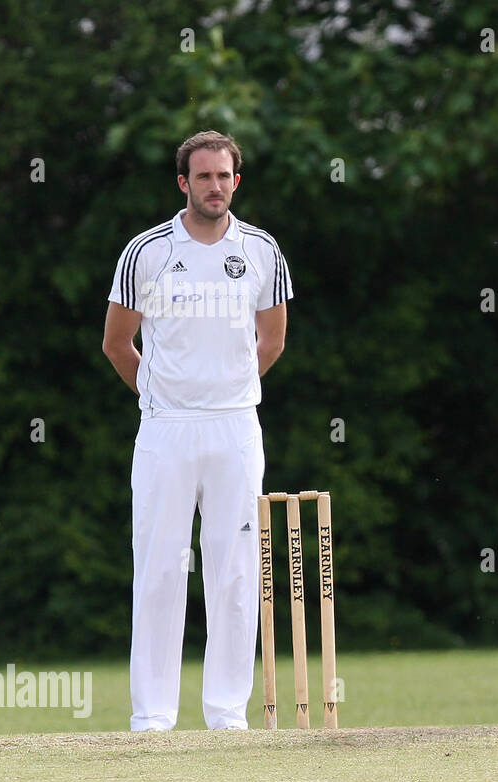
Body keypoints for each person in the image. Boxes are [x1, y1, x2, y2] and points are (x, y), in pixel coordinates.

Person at [102, 130, 292, 731]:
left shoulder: (262, 251)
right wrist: (165, 396)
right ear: (183, 183)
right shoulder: (147, 252)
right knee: (159, 567)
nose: (216, 186)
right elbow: (116, 343)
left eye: (225, 176)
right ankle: (153, 717)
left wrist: (228, 392)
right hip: (166, 430)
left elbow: (273, 340)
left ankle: (225, 713)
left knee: (235, 569)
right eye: (204, 176)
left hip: (236, 428)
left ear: (237, 180)